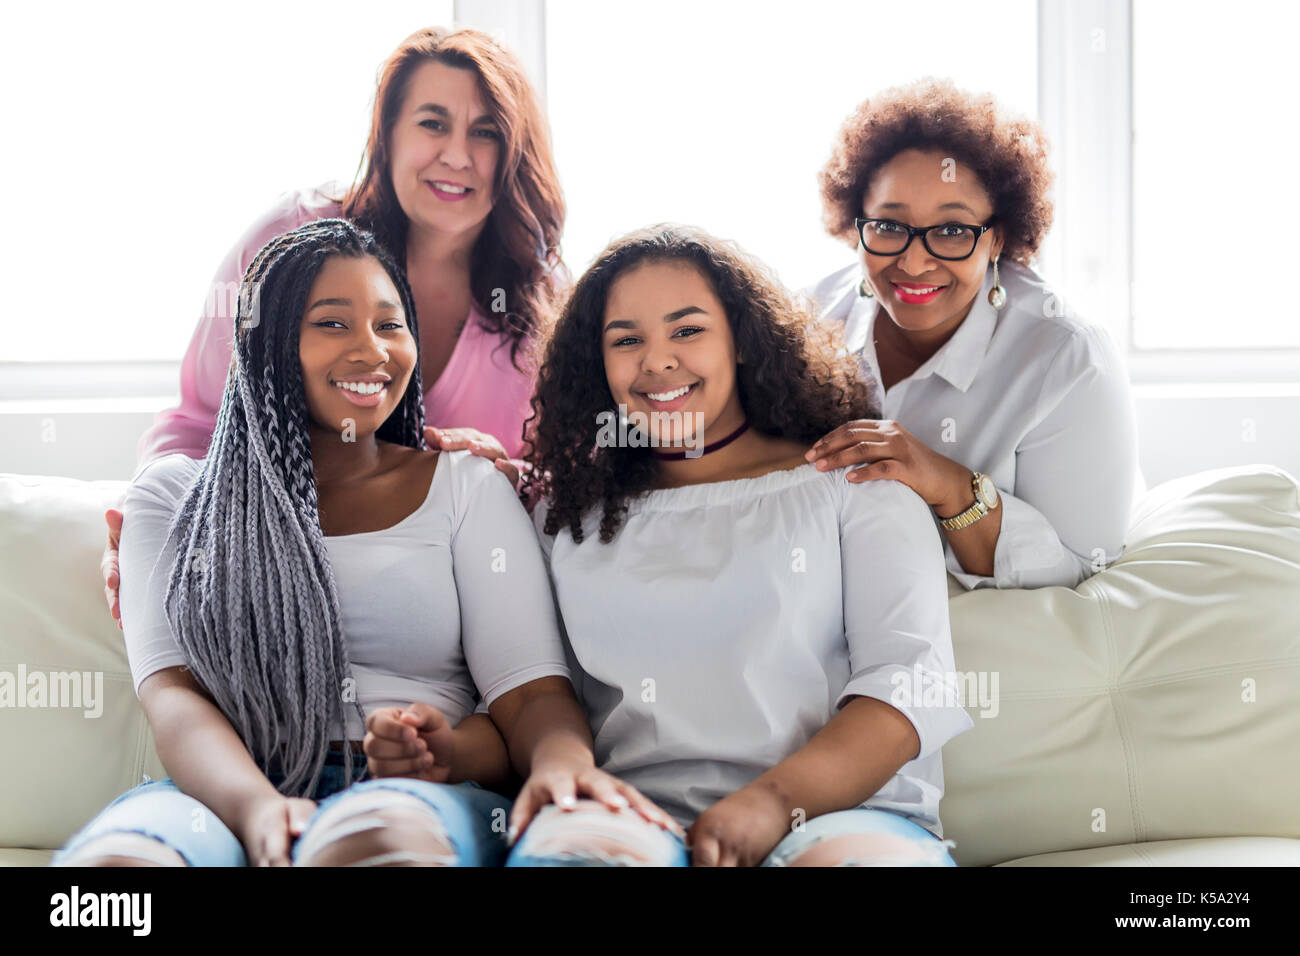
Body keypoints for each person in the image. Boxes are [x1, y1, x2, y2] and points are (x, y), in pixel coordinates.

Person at [53, 220, 678, 867]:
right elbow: (174, 698)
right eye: (332, 323)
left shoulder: (464, 487)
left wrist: (529, 761)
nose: (371, 350)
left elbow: (531, 699)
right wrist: (258, 808)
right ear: (264, 341)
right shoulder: (174, 499)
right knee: (117, 867)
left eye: (389, 325)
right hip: (224, 791)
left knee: (375, 846)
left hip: (415, 797)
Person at [371, 225, 974, 866]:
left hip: (841, 816)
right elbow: (536, 701)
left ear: (742, 341)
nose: (657, 361)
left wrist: (771, 804)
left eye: (687, 331)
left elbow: (908, 685)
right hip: (629, 813)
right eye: (626, 340)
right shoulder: (560, 513)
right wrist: (451, 750)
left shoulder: (856, 480)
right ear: (596, 364)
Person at [102, 25, 564, 627]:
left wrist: (511, 478)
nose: (457, 154)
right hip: (274, 573)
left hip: (441, 607)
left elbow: (566, 481)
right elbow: (196, 425)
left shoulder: (542, 298)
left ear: (513, 153)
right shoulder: (290, 240)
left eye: (485, 132)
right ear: (388, 137)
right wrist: (146, 524)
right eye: (432, 123)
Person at [801, 78, 1142, 589]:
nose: (914, 262)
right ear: (857, 226)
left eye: (953, 231)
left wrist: (948, 485)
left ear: (997, 237)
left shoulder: (1069, 357)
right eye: (889, 227)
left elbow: (1083, 565)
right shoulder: (806, 322)